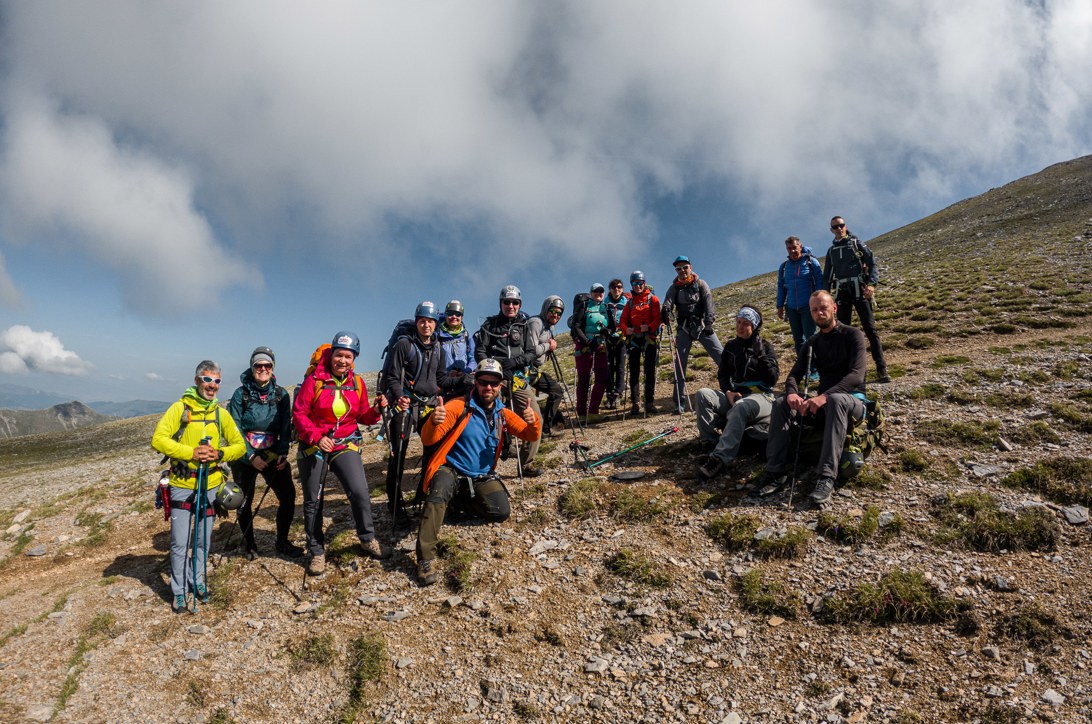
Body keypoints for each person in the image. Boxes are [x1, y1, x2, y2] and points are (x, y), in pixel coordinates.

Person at [414, 359, 540, 585]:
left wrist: (534, 423)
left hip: (481, 476)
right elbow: (427, 438)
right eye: (483, 382)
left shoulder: (503, 412)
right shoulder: (458, 406)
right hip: (450, 468)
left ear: (500, 386)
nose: (488, 387)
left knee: (500, 511)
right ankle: (426, 558)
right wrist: (434, 421)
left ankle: (455, 502)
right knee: (440, 489)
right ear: (476, 382)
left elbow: (529, 436)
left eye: (493, 383)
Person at [754, 291, 867, 505]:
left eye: (823, 308)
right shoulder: (813, 342)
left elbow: (856, 375)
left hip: (853, 402)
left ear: (834, 308)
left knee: (836, 400)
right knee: (780, 403)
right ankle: (775, 472)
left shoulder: (853, 335)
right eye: (815, 310)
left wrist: (824, 396)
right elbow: (794, 375)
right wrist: (792, 394)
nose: (819, 313)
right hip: (826, 404)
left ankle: (826, 477)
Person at [152, 361, 246, 612]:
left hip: (212, 485)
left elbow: (240, 446)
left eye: (217, 381)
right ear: (197, 381)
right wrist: (189, 452)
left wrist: (220, 454)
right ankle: (179, 591)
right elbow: (158, 439)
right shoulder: (180, 408)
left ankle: (198, 581)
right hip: (182, 483)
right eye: (207, 380)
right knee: (180, 542)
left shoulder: (220, 414)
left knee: (204, 540)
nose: (212, 386)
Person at [293, 331, 389, 575]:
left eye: (348, 356)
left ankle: (367, 538)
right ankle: (316, 551)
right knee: (313, 501)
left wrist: (377, 410)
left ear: (353, 358)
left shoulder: (356, 383)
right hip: (314, 446)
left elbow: (363, 416)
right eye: (339, 355)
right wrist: (316, 437)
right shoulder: (314, 380)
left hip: (345, 443)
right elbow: (299, 414)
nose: (343, 361)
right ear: (331, 355)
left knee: (359, 491)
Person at [226, 347, 301, 560]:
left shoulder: (281, 395)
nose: (263, 369)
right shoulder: (240, 394)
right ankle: (249, 544)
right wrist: (250, 456)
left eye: (267, 365)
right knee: (243, 501)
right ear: (252, 367)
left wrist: (282, 453)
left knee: (288, 496)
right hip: (244, 457)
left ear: (272, 367)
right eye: (258, 365)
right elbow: (233, 428)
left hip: (271, 454)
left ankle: (283, 542)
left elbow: (285, 428)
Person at [694, 307, 780, 480]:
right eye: (738, 322)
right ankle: (709, 442)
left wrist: (761, 355)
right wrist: (728, 392)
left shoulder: (765, 347)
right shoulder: (731, 347)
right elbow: (723, 374)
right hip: (736, 395)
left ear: (754, 326)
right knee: (702, 394)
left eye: (745, 324)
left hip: (762, 398)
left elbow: (772, 380)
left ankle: (720, 458)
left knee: (740, 407)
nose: (740, 327)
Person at [380, 302, 447, 521]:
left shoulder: (438, 347)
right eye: (422, 321)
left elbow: (440, 377)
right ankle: (395, 506)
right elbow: (392, 375)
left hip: (427, 405)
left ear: (436, 324)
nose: (426, 325)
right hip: (406, 405)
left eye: (430, 321)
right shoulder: (403, 345)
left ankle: (423, 494)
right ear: (416, 321)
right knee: (398, 456)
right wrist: (399, 395)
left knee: (434, 450)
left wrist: (463, 381)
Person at [473, 285, 543, 476]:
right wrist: (496, 367)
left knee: (535, 417)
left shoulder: (525, 325)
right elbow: (480, 351)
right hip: (494, 379)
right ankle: (484, 466)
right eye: (507, 302)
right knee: (488, 419)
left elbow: (530, 352)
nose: (510, 306)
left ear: (519, 304)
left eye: (515, 302)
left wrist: (514, 363)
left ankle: (526, 464)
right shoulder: (489, 326)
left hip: (518, 378)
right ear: (501, 303)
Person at [823, 216, 890, 383]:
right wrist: (826, 297)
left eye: (841, 225)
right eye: (836, 227)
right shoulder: (831, 251)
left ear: (846, 226)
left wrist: (872, 284)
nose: (839, 228)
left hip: (859, 290)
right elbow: (827, 276)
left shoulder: (856, 243)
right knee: (842, 332)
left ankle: (881, 368)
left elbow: (872, 263)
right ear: (831, 230)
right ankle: (847, 373)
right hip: (842, 293)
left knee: (870, 329)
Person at [661, 255, 723, 414]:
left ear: (691, 267)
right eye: (678, 268)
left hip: (702, 325)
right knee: (679, 365)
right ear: (676, 270)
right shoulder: (673, 288)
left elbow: (709, 303)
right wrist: (665, 311)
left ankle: (732, 389)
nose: (682, 271)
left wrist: (709, 323)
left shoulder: (701, 284)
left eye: (685, 267)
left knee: (721, 357)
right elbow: (667, 303)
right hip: (684, 328)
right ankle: (679, 402)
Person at [619, 271, 662, 415]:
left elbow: (657, 320)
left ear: (644, 283)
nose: (637, 286)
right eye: (634, 284)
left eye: (640, 283)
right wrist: (626, 330)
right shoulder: (630, 303)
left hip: (649, 339)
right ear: (632, 285)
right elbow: (622, 321)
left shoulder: (653, 299)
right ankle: (635, 403)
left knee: (649, 371)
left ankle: (649, 403)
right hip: (634, 340)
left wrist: (648, 327)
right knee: (634, 372)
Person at [776, 236, 823, 366]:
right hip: (791, 308)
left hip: (808, 306)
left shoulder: (811, 262)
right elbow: (781, 287)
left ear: (800, 247)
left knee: (811, 338)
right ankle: (803, 367)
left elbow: (820, 282)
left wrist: (821, 303)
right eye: (789, 248)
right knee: (798, 340)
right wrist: (780, 306)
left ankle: (814, 369)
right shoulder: (784, 267)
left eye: (794, 248)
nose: (792, 251)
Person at [524, 295, 566, 436]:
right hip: (524, 370)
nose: (556, 315)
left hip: (533, 371)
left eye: (559, 312)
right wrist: (549, 345)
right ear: (545, 309)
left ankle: (546, 429)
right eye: (553, 311)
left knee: (556, 391)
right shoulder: (536, 323)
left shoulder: (549, 327)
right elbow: (531, 350)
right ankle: (541, 430)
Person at [569, 283, 611, 420]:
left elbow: (612, 326)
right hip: (584, 346)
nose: (598, 293)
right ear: (591, 293)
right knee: (584, 379)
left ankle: (593, 411)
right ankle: (581, 414)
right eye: (595, 291)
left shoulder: (606, 307)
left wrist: (608, 331)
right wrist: (587, 341)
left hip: (600, 346)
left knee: (602, 378)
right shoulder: (585, 306)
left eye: (601, 291)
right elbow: (577, 326)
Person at [437, 300, 476, 401]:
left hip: (462, 382)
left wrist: (466, 372)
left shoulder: (466, 335)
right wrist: (446, 373)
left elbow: (473, 358)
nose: (454, 317)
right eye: (450, 314)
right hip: (443, 382)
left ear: (461, 317)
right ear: (445, 315)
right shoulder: (437, 336)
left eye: (458, 314)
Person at [603, 278, 630, 409]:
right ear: (610, 289)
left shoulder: (626, 302)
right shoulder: (605, 302)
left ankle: (618, 394)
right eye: (613, 287)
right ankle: (609, 395)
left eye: (619, 287)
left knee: (620, 367)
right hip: (608, 338)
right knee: (609, 367)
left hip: (622, 337)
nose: (616, 289)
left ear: (622, 288)